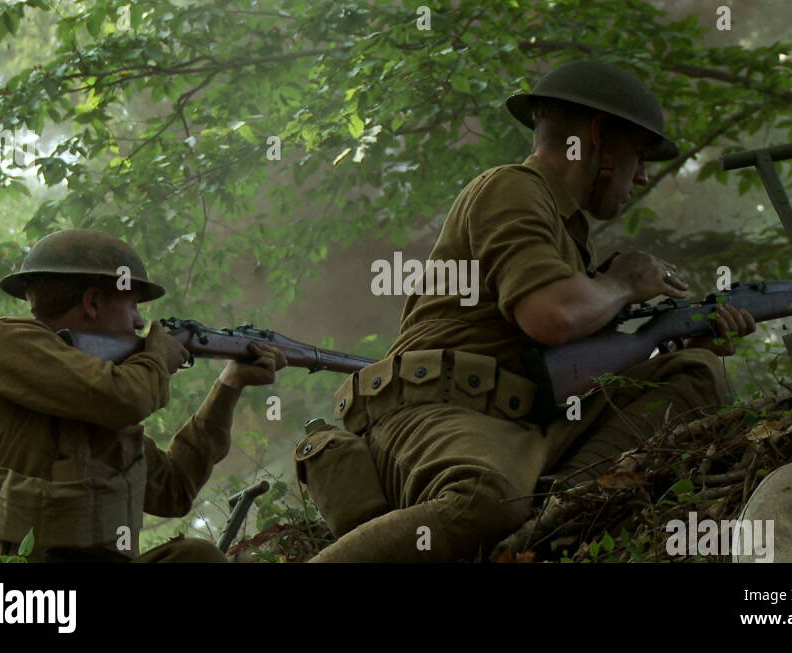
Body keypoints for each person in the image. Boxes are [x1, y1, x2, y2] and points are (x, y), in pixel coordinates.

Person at [301, 61, 757, 562]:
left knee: (694, 375)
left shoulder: (568, 235)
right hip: (440, 408)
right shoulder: (512, 187)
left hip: (528, 423)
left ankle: (552, 520)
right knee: (484, 503)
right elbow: (549, 317)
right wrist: (622, 283)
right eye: (639, 155)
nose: (643, 175)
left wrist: (679, 339)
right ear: (599, 136)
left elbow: (568, 363)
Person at [0, 229, 285, 563]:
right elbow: (126, 398)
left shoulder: (101, 409)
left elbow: (174, 490)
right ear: (92, 302)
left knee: (194, 557)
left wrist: (230, 384)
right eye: (133, 306)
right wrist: (157, 356)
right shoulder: (5, 341)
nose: (141, 321)